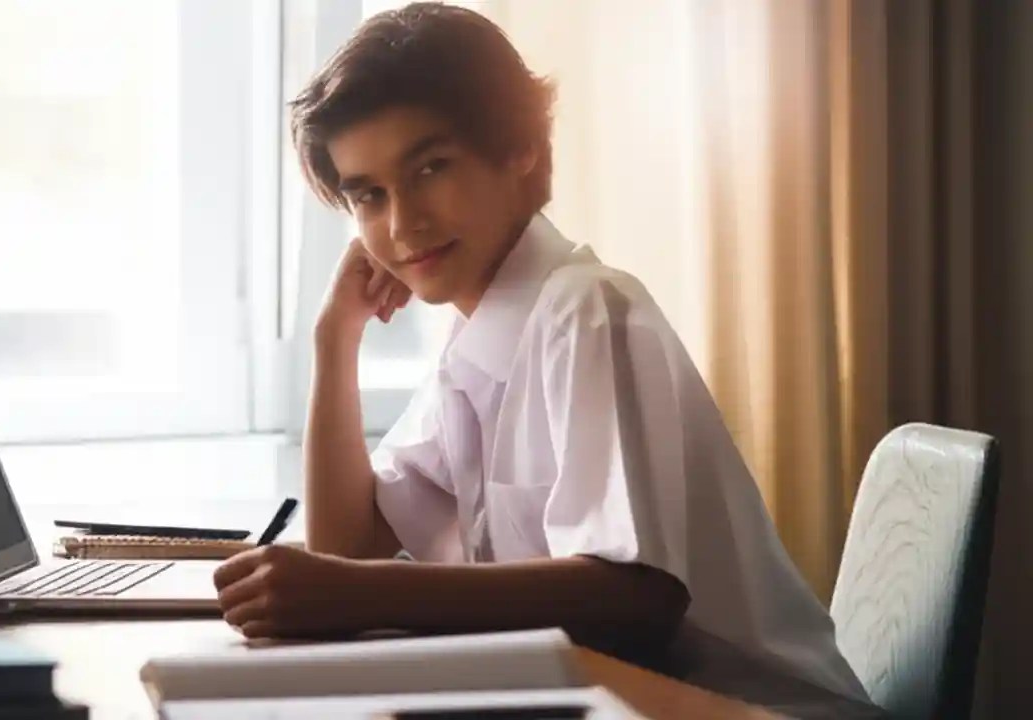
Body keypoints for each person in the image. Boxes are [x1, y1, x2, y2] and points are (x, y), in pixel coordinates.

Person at [213, 3, 874, 715]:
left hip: (755, 708)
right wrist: (334, 342)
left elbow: (635, 600)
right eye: (368, 196)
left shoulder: (588, 310)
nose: (402, 225)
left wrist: (354, 595)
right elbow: (349, 547)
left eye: (431, 167)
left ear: (519, 147)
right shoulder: (476, 348)